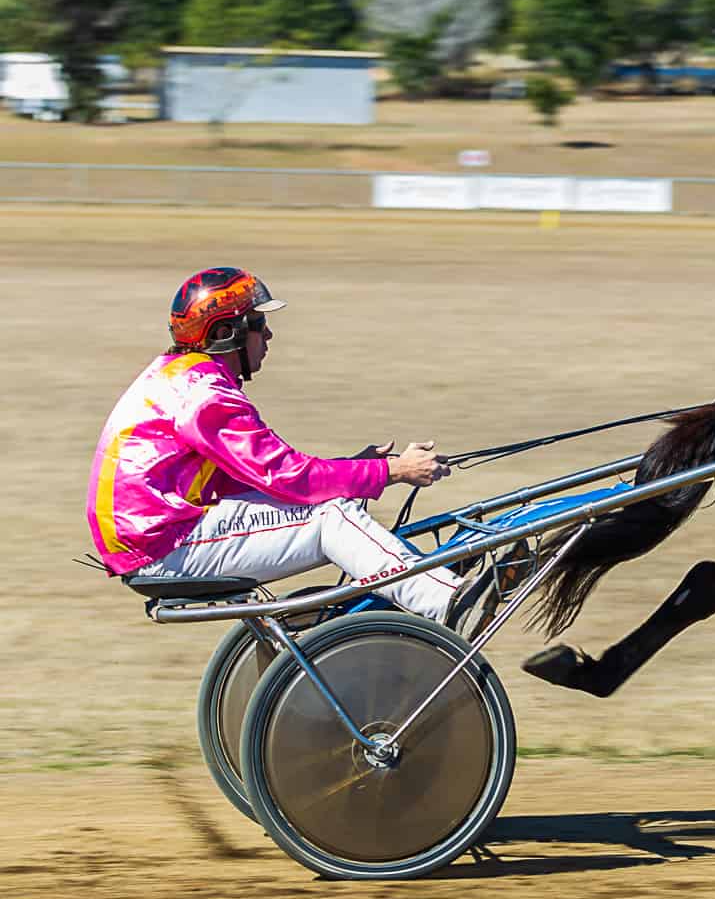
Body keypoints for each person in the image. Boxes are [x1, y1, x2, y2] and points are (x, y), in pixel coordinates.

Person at [86, 267, 488, 628]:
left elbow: (266, 481)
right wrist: (393, 471)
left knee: (328, 508)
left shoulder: (182, 377)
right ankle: (448, 601)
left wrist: (354, 469)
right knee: (333, 518)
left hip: (157, 536)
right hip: (163, 547)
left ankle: (433, 579)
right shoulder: (205, 395)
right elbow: (289, 477)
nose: (270, 334)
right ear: (229, 333)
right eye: (259, 323)